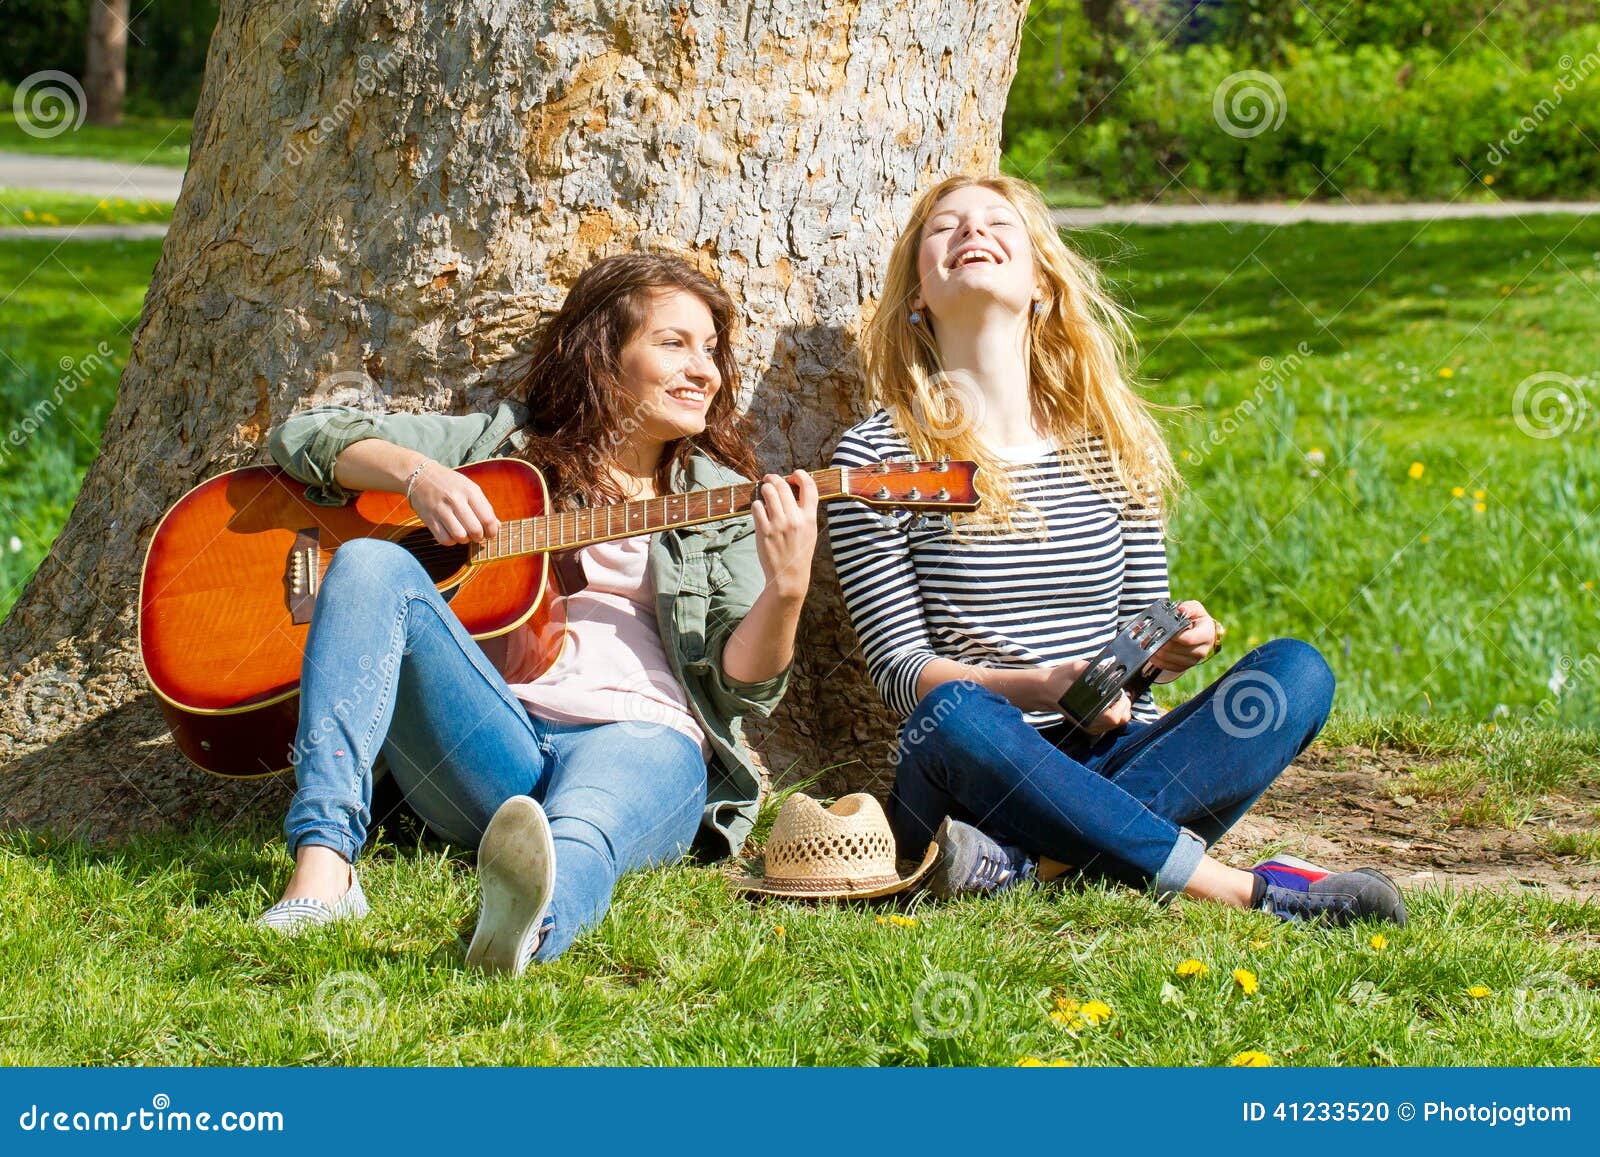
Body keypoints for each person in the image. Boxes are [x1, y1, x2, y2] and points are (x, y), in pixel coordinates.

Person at [828, 174, 1405, 927]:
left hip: (1111, 751)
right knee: (957, 709)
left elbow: (1142, 637)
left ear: (1041, 281)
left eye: (998, 222)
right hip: (973, 766)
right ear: (916, 295)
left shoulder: (1109, 443)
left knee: (1296, 672)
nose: (971, 233)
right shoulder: (877, 456)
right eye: (946, 229)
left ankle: (1026, 868)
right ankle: (1249, 892)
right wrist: (1042, 685)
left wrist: (1173, 640)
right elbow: (904, 678)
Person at [257, 252, 820, 970]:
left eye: (711, 349)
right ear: (603, 354)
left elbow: (743, 686)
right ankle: (323, 868)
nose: (704, 369)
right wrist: (417, 474)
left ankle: (528, 928)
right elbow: (306, 435)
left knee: (584, 827)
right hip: (490, 733)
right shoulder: (506, 446)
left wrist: (788, 588)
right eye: (674, 343)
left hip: (643, 735)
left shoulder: (726, 496)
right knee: (370, 561)